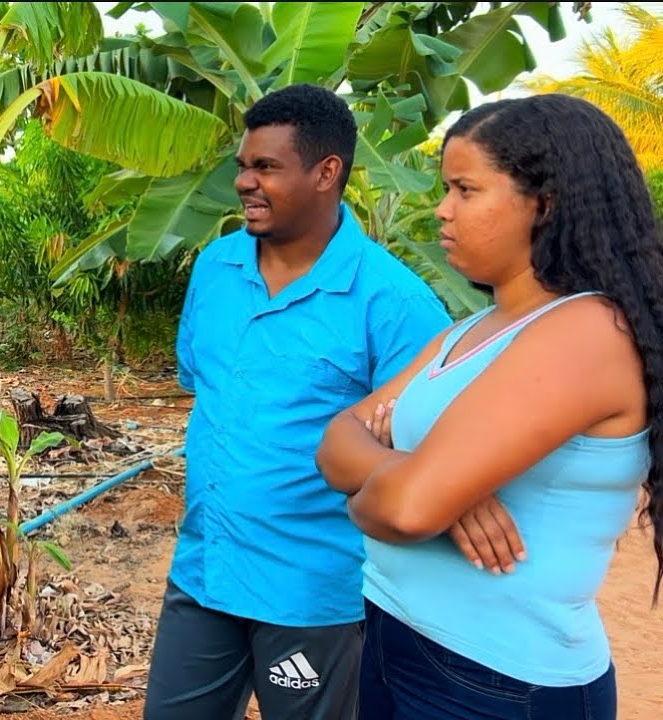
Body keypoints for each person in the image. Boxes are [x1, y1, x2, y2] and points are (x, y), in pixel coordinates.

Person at [316, 93, 663, 719]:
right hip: (398, 634)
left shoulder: (587, 330)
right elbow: (335, 440)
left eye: (465, 190)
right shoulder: (466, 332)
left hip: (495, 679)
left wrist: (417, 485)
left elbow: (403, 509)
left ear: (545, 203)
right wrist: (429, 481)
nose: (442, 211)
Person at [143, 83, 453, 720]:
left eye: (266, 167)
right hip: (205, 569)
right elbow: (204, 390)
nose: (244, 183)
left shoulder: (392, 302)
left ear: (326, 172)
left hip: (314, 593)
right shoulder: (216, 268)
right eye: (242, 166)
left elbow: (432, 446)